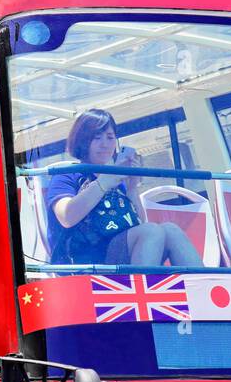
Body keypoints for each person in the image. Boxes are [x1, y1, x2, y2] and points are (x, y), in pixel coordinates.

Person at [43, 108, 203, 267]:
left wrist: (132, 187)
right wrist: (102, 183)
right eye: (97, 138)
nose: (105, 144)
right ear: (83, 142)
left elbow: (140, 224)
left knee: (171, 230)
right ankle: (142, 290)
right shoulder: (67, 175)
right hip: (86, 257)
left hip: (120, 251)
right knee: (151, 231)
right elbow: (66, 217)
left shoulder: (116, 180)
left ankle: (202, 287)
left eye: (110, 137)